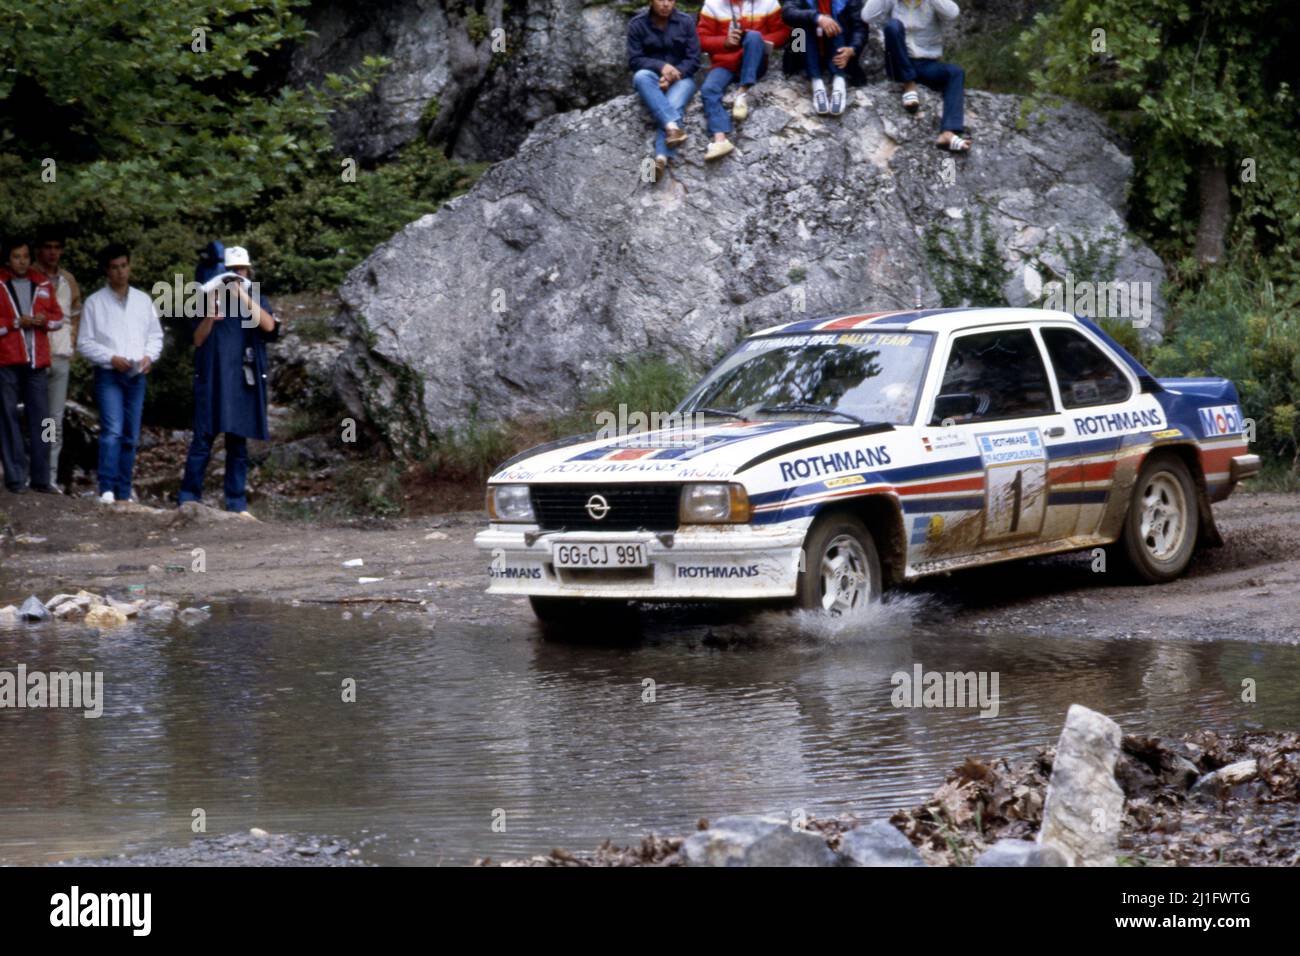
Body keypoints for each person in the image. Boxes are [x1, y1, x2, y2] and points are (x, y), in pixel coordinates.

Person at [178, 245, 279, 518]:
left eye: (241, 270)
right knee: (203, 440)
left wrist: (243, 297)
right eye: (231, 271)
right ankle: (189, 498)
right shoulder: (204, 298)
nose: (237, 275)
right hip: (211, 378)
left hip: (240, 380)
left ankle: (236, 503)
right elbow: (197, 340)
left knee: (237, 442)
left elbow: (269, 326)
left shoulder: (255, 297)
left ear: (249, 271)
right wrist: (211, 315)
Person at [77, 244, 164, 505]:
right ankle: (107, 488)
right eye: (115, 267)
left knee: (131, 434)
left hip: (137, 374)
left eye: (124, 266)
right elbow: (84, 343)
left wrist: (150, 356)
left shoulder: (143, 300)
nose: (120, 272)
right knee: (112, 430)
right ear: (107, 270)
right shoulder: (94, 302)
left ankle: (124, 491)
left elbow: (156, 336)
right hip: (109, 374)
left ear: (130, 267)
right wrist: (110, 358)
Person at [0, 238, 64, 494]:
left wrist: (44, 320)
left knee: (45, 420)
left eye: (25, 256)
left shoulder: (42, 282)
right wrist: (15, 323)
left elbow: (59, 318)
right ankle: (15, 477)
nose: (22, 261)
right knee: (8, 418)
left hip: (38, 360)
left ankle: (42, 476)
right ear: (8, 259)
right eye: (17, 257)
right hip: (7, 360)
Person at [863, 0, 970, 152]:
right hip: (897, 62)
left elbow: (953, 13)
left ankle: (948, 132)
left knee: (955, 72)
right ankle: (908, 84)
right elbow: (867, 16)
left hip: (925, 64)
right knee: (893, 26)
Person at [696, 0, 791, 160]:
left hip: (755, 62)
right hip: (725, 61)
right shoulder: (712, 5)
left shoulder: (768, 3)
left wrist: (759, 42)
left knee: (753, 36)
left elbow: (784, 32)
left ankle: (742, 92)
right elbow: (700, 39)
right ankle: (720, 139)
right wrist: (724, 42)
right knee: (708, 89)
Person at [628, 0, 701, 181]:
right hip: (652, 78)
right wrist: (661, 67)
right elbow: (635, 60)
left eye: (670, 0)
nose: (666, 4)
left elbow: (694, 59)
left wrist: (672, 75)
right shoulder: (637, 24)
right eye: (661, 0)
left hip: (682, 78)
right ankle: (672, 127)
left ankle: (659, 159)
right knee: (640, 77)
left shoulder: (686, 22)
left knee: (673, 103)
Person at [35, 230, 82, 489]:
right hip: (34, 355)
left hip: (60, 354)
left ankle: (49, 475)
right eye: (48, 246)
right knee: (36, 417)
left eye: (57, 247)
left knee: (53, 419)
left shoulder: (68, 280)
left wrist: (71, 342)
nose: (52, 252)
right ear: (39, 250)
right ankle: (32, 472)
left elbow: (75, 313)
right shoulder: (30, 276)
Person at [781, 0, 867, 116]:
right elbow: (787, 13)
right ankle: (817, 84)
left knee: (836, 22)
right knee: (799, 30)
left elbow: (860, 27)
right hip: (806, 50)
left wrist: (853, 48)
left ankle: (839, 82)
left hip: (838, 46)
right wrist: (817, 17)